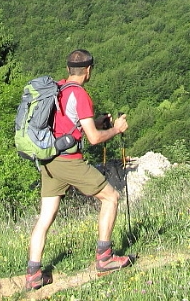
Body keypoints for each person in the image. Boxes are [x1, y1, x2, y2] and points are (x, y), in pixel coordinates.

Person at [25, 49, 132, 291]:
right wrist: (116, 129)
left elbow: (70, 126)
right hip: (70, 162)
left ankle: (33, 273)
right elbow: (94, 139)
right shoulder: (81, 96)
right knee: (111, 198)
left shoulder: (57, 89)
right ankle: (104, 258)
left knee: (45, 218)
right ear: (89, 70)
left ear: (68, 70)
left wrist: (95, 122)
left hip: (50, 161)